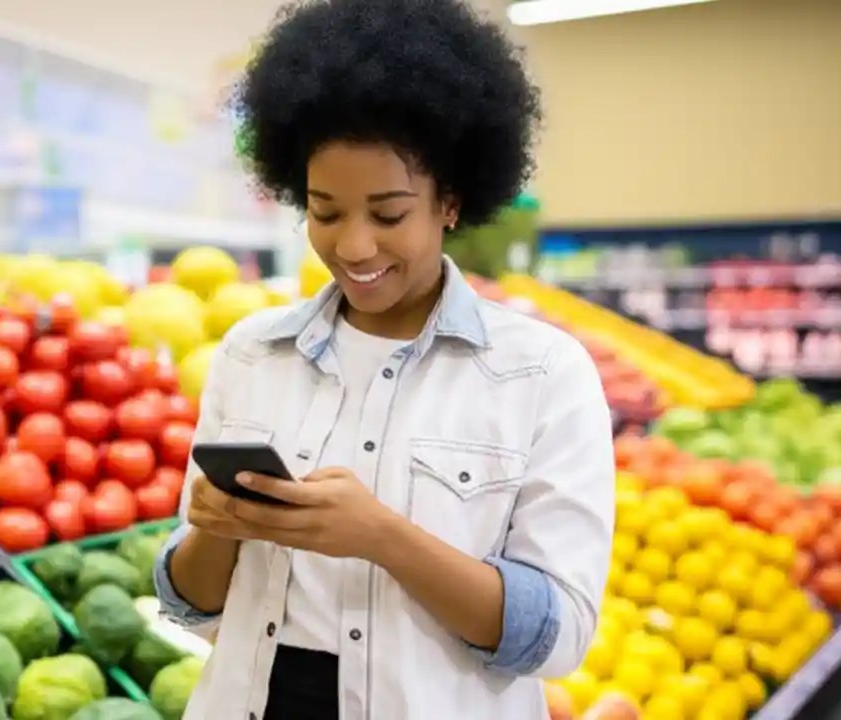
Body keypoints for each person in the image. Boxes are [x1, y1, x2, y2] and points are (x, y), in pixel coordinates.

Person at [152, 1, 614, 718]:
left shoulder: (542, 374)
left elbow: (554, 637)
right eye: (325, 212)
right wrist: (216, 524)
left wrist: (381, 538)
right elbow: (191, 604)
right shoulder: (252, 354)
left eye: (389, 214)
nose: (354, 247)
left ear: (450, 201)